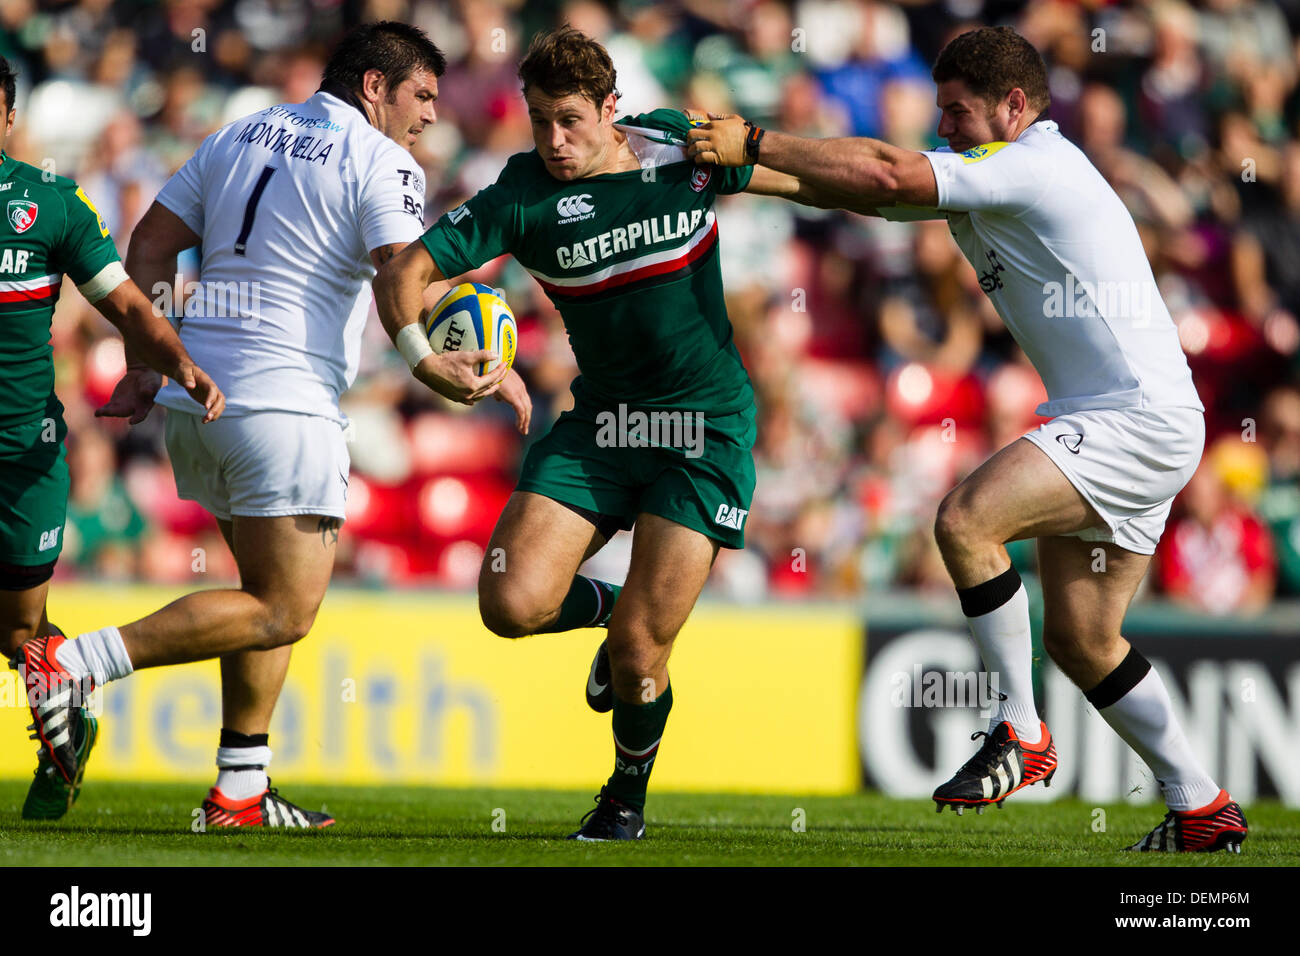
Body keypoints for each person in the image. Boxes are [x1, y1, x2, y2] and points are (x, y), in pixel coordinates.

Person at [686, 25, 1247, 853]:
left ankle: (1019, 730)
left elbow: (886, 170)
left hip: (1132, 419)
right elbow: (874, 195)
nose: (943, 127)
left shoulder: (1035, 164)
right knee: (1082, 640)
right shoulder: (1001, 168)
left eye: (957, 112)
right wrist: (750, 176)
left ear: (1014, 107)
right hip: (1134, 417)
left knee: (964, 521)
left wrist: (760, 139)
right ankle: (1203, 807)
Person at [16, 21, 529, 829]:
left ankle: (240, 787)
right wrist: (433, 368)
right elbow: (402, 276)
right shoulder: (382, 160)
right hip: (286, 405)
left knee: (262, 594)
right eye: (420, 95)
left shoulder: (236, 131)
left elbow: (148, 243)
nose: (430, 115)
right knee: (286, 609)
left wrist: (150, 362)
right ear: (373, 87)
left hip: (200, 401)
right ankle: (75, 664)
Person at [375, 26, 833, 840]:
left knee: (639, 657)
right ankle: (620, 613)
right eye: (540, 120)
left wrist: (916, 193)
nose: (554, 140)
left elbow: (802, 177)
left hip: (704, 433)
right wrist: (422, 362)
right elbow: (405, 274)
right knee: (510, 603)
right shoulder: (518, 193)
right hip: (605, 427)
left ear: (612, 109)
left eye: (572, 120)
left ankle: (625, 794)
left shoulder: (678, 147)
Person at [0, 54, 225, 820]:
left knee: (20, 632)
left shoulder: (50, 206)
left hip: (22, 458)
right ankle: (58, 720)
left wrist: (178, 365)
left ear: (8, 121)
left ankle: (62, 725)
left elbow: (128, 306)